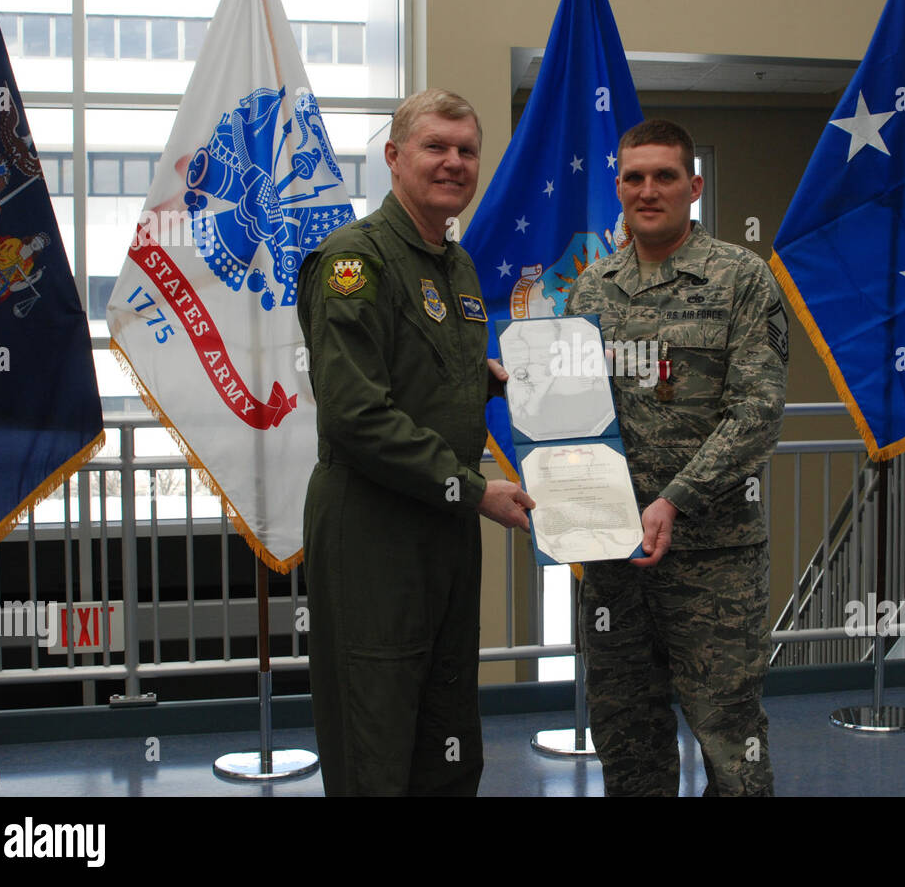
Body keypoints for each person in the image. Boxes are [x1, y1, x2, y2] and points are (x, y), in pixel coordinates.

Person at [297, 87, 534, 796]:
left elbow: (426, 375)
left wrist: (493, 382)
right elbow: (356, 414)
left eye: (466, 151)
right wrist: (474, 490)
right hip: (376, 528)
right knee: (378, 729)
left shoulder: (455, 265)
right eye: (436, 147)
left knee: (448, 722)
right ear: (395, 157)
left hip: (446, 526)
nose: (454, 163)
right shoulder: (354, 263)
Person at [564, 119, 788, 796]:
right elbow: (572, 416)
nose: (648, 189)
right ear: (618, 187)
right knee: (627, 738)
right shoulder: (590, 290)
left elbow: (757, 411)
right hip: (614, 563)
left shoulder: (740, 279)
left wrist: (674, 500)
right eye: (634, 176)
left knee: (731, 743)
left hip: (712, 561)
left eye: (665, 176)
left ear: (693, 186)